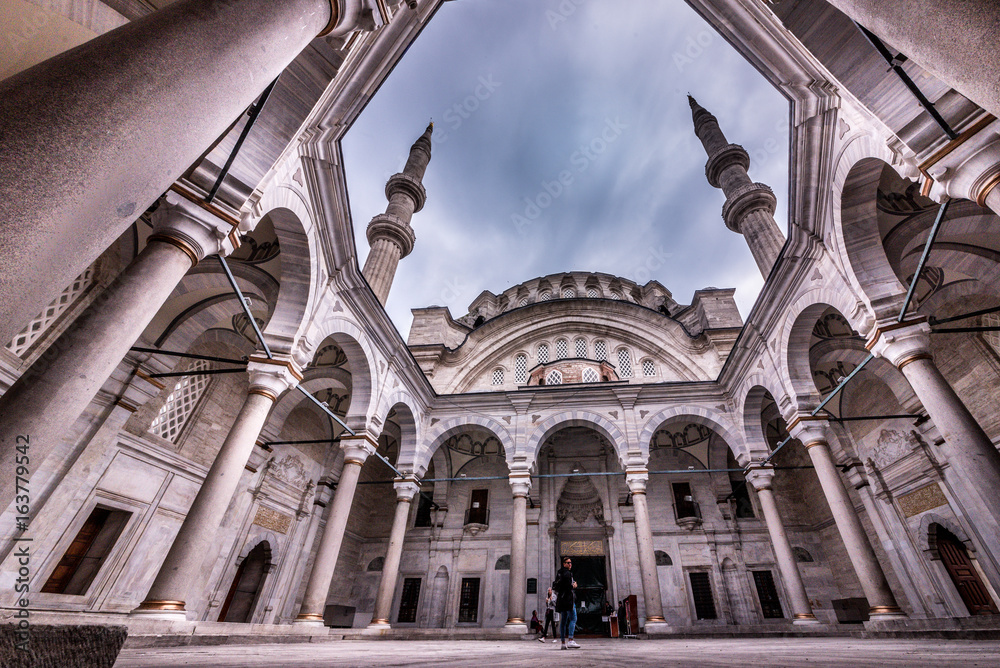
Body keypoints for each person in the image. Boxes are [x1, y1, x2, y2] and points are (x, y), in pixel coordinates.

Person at [553, 556, 580, 650]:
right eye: (568, 563)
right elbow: (568, 587)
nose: (570, 564)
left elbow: (557, 586)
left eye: (571, 563)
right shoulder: (568, 573)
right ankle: (571, 640)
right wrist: (574, 585)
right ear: (564, 564)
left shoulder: (559, 573)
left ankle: (563, 643)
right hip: (568, 600)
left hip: (561, 600)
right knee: (573, 619)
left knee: (563, 621)